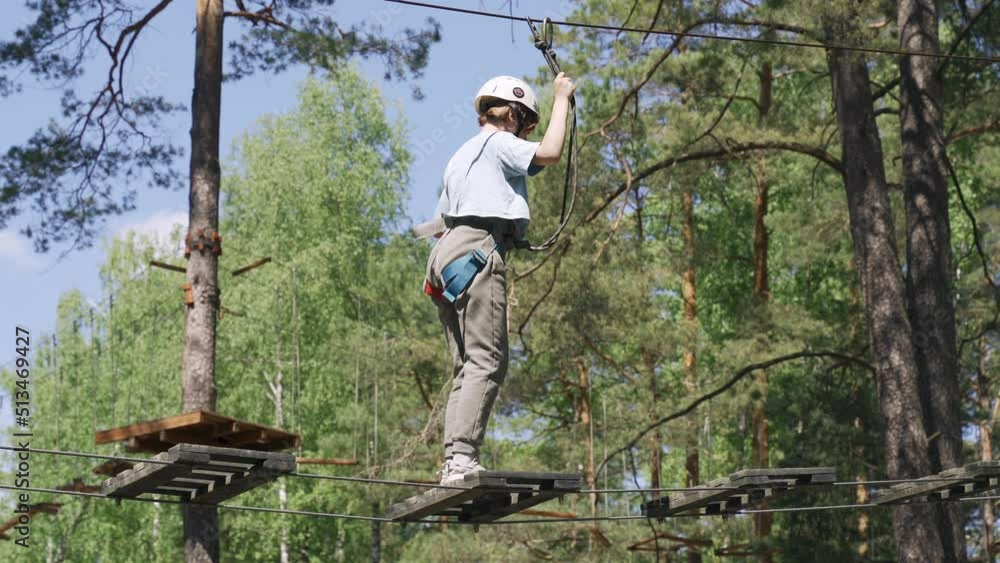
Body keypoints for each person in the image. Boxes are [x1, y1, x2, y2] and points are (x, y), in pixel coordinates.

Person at [423, 73, 575, 484]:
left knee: (467, 366)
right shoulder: (499, 141)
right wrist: (561, 98)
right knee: (489, 361)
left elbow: (440, 224)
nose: (526, 133)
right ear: (514, 115)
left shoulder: (461, 156)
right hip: (478, 249)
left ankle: (454, 458)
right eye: (526, 124)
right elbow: (550, 152)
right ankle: (461, 462)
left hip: (445, 257)